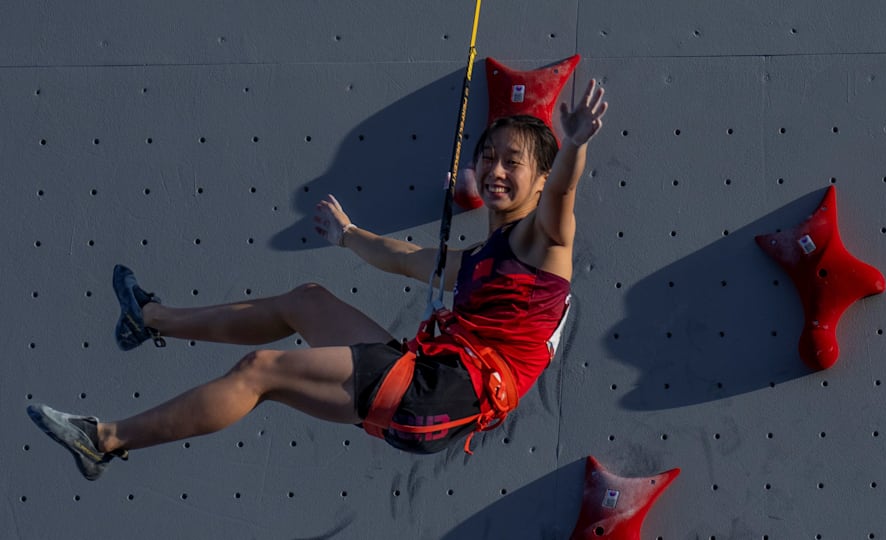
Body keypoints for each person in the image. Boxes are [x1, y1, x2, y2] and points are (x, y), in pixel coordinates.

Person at [27, 79, 608, 480]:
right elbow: (407, 257)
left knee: (262, 370)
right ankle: (149, 318)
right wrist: (349, 233)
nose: (496, 169)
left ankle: (105, 440)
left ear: (538, 181)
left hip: (440, 393)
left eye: (513, 162)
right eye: (488, 157)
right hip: (428, 378)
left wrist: (573, 146)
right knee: (305, 301)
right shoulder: (485, 256)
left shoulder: (542, 244)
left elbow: (563, 193)